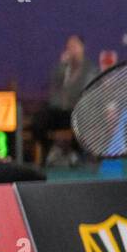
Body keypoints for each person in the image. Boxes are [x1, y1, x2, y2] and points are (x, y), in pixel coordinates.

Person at [31, 34, 97, 167]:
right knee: (39, 120)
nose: (72, 50)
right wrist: (62, 67)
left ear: (82, 48)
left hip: (78, 111)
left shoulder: (90, 69)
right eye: (69, 47)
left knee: (83, 120)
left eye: (75, 46)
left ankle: (74, 153)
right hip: (60, 111)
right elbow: (53, 89)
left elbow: (88, 92)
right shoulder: (63, 69)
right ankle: (51, 151)